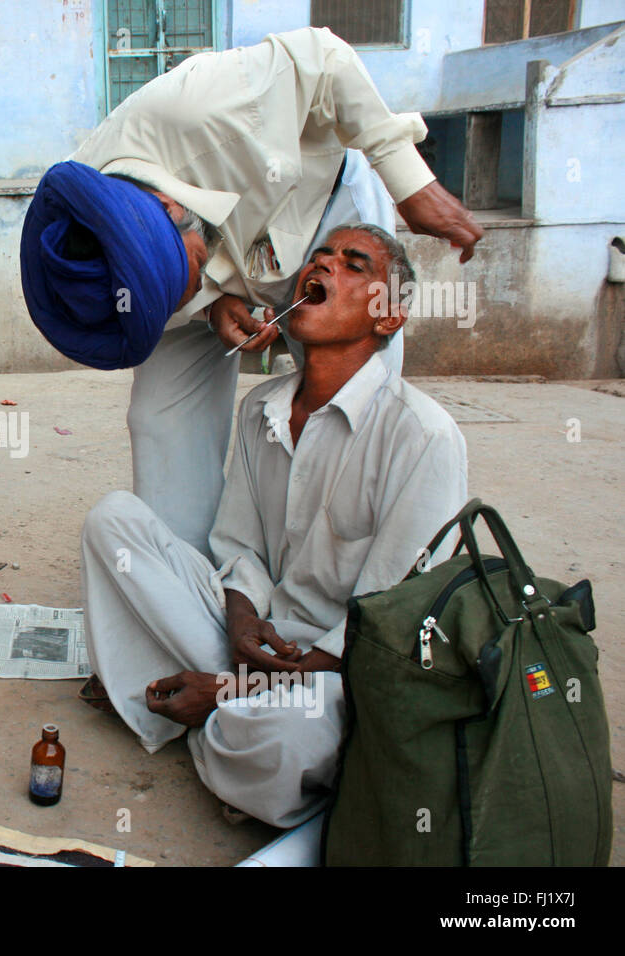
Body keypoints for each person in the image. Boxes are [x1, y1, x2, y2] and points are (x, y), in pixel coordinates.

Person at [24, 26, 483, 556]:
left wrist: (410, 182)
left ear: (172, 209)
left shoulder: (199, 106)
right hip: (217, 262)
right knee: (158, 420)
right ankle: (195, 576)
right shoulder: (85, 250)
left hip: (320, 213)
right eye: (179, 294)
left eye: (189, 276)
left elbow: (326, 58)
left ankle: (354, 577)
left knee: (350, 395)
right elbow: (180, 288)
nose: (190, 292)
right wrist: (210, 299)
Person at [79, 224, 468, 828]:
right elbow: (239, 547)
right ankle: (213, 707)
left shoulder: (423, 436)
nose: (325, 267)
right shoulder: (260, 408)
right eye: (320, 257)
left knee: (283, 743)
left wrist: (241, 690)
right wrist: (240, 621)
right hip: (255, 639)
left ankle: (206, 708)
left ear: (388, 318)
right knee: (113, 521)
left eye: (353, 264)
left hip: (340, 668)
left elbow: (396, 624)